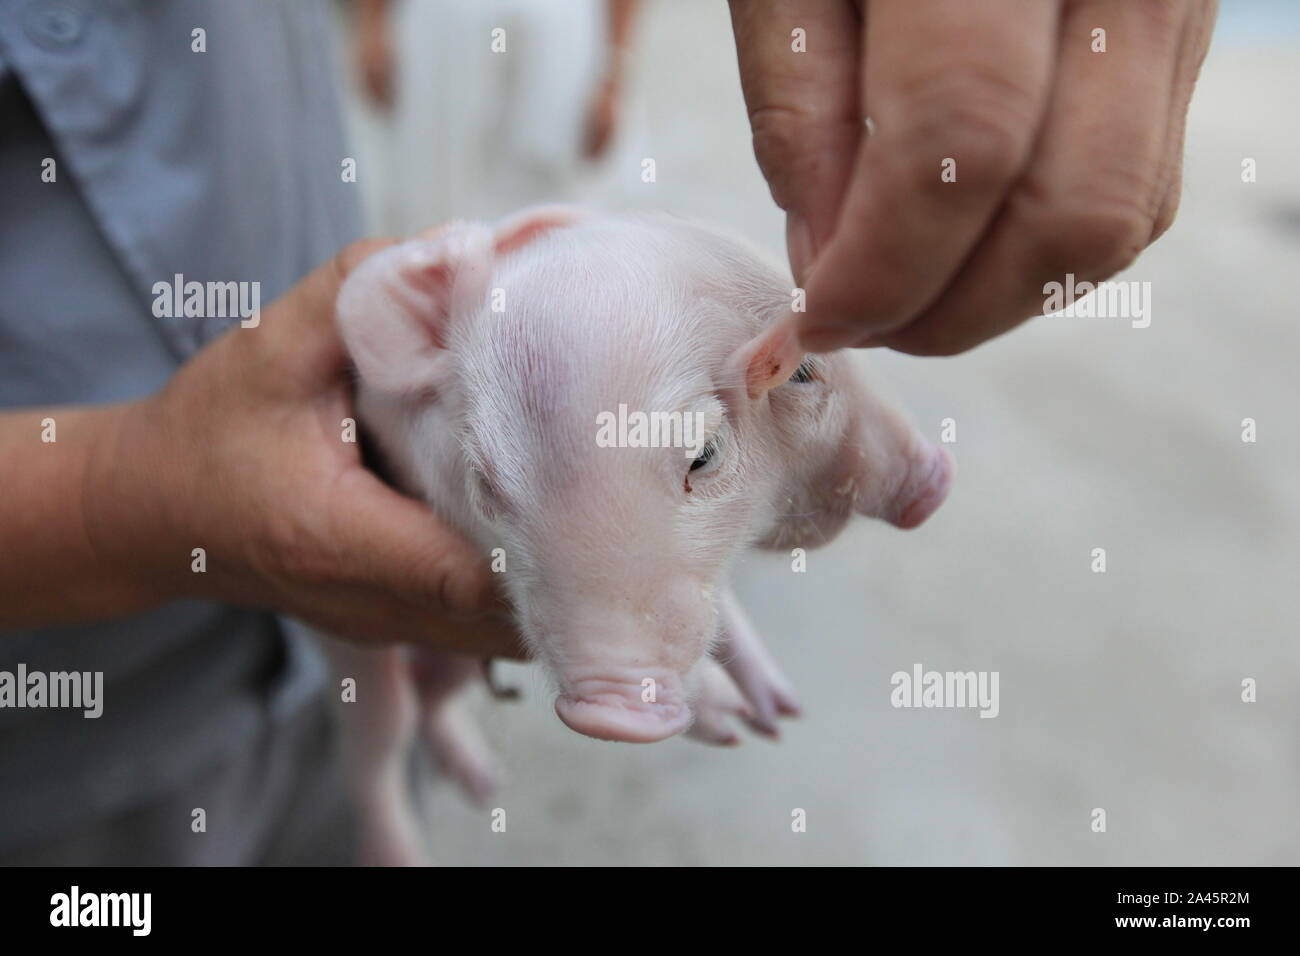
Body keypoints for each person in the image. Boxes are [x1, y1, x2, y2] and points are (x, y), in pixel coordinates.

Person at [0, 0, 1215, 864]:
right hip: (66, 765)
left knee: (428, 653)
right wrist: (129, 489)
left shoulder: (583, 426)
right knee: (372, 685)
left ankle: (414, 746)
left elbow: (634, 530)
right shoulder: (541, 429)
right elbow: (627, 529)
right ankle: (387, 789)